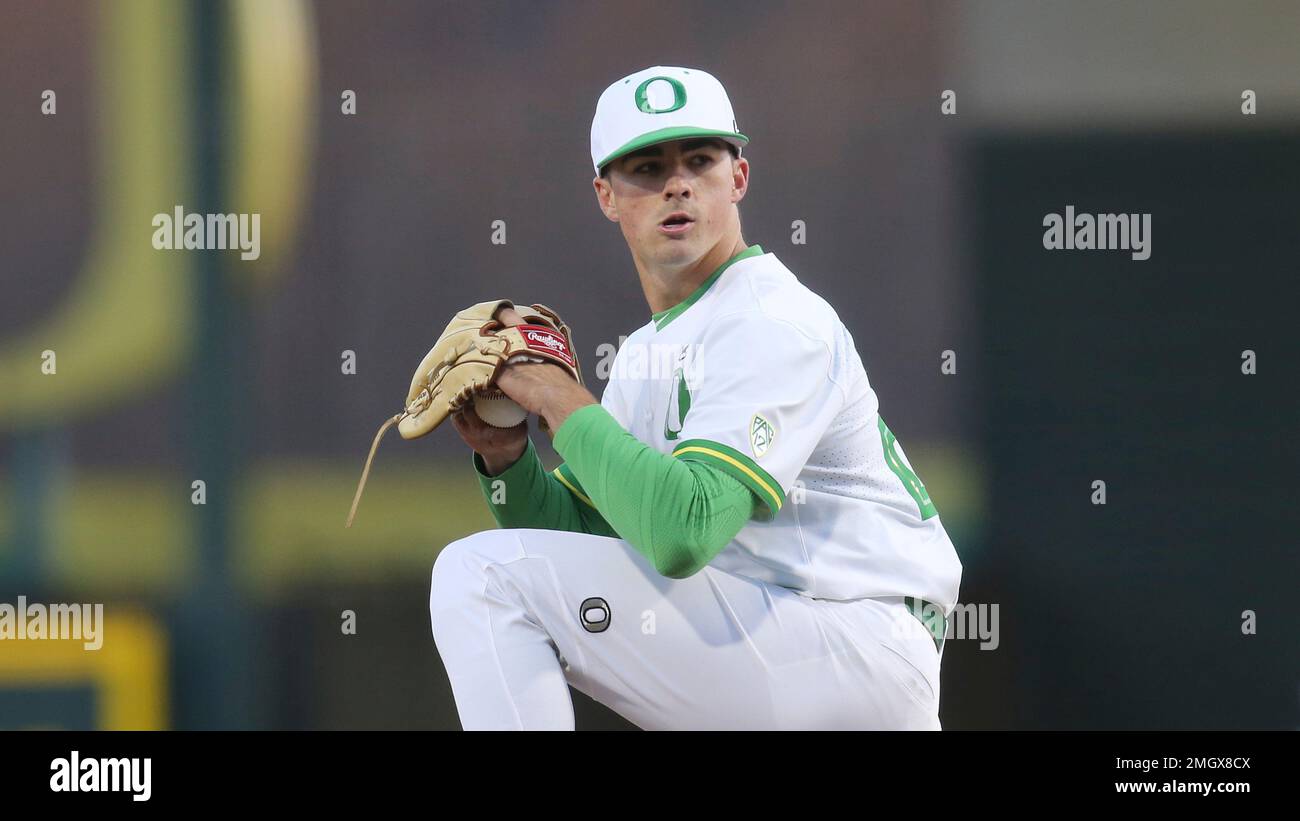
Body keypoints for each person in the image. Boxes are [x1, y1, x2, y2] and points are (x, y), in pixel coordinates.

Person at [430, 65, 962, 730]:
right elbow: (593, 539)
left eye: (700, 160)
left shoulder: (773, 318)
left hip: (852, 638)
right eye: (647, 168)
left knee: (481, 576)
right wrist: (509, 463)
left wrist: (559, 399)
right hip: (777, 641)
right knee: (509, 574)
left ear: (737, 177)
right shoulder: (646, 354)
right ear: (606, 195)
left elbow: (683, 532)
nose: (677, 183)